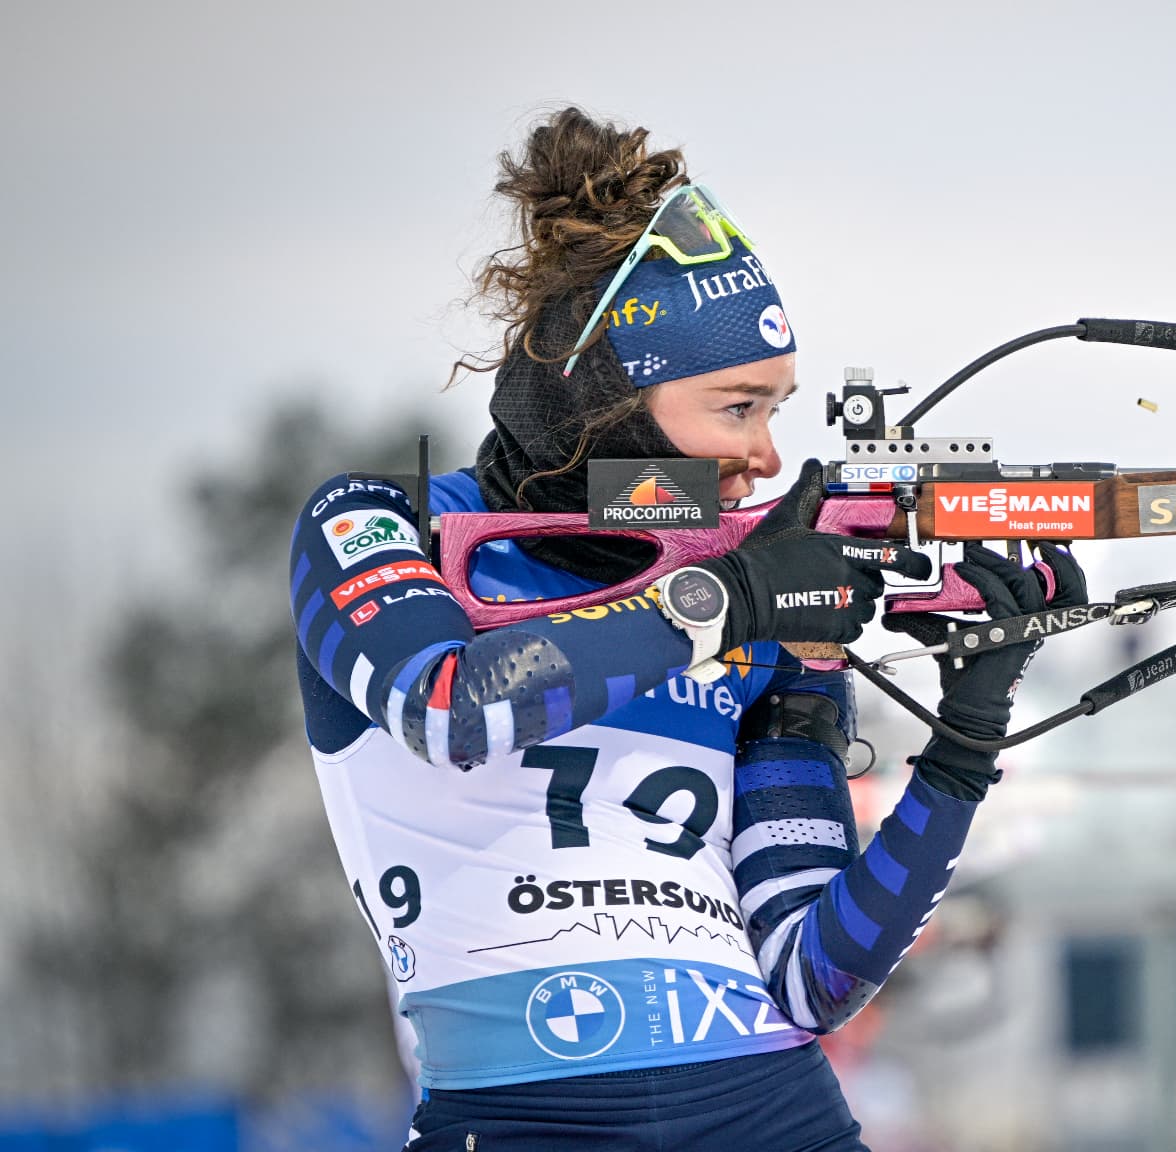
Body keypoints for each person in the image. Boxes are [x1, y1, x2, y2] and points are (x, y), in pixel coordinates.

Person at [287, 106, 1086, 1151]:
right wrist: (731, 601)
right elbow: (450, 705)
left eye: (776, 409)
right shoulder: (384, 525)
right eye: (738, 407)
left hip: (771, 1110)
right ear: (605, 403)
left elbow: (814, 977)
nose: (766, 457)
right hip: (523, 1118)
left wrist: (967, 736)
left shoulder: (747, 607)